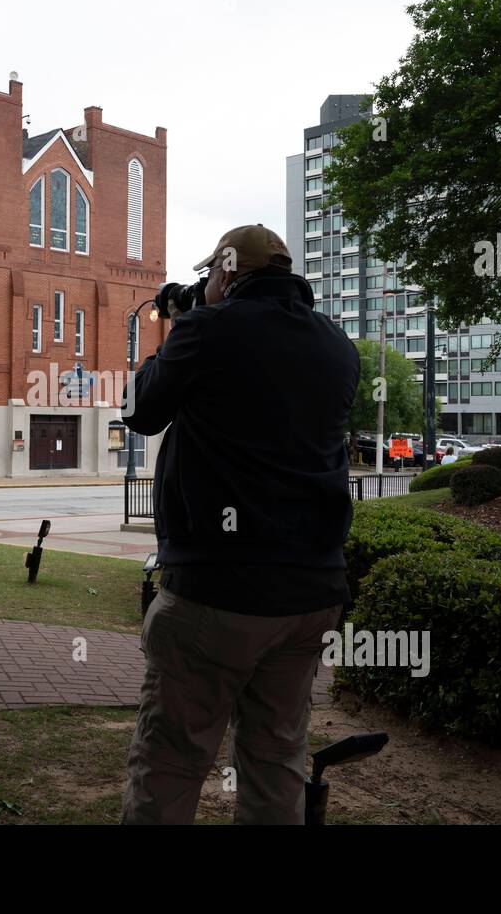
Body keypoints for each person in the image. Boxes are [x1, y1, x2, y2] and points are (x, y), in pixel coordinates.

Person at [121, 224, 360, 825]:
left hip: (217, 591)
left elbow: (141, 410)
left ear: (226, 274)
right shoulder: (336, 345)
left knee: (173, 757)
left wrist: (181, 323)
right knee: (278, 754)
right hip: (312, 592)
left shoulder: (207, 329)